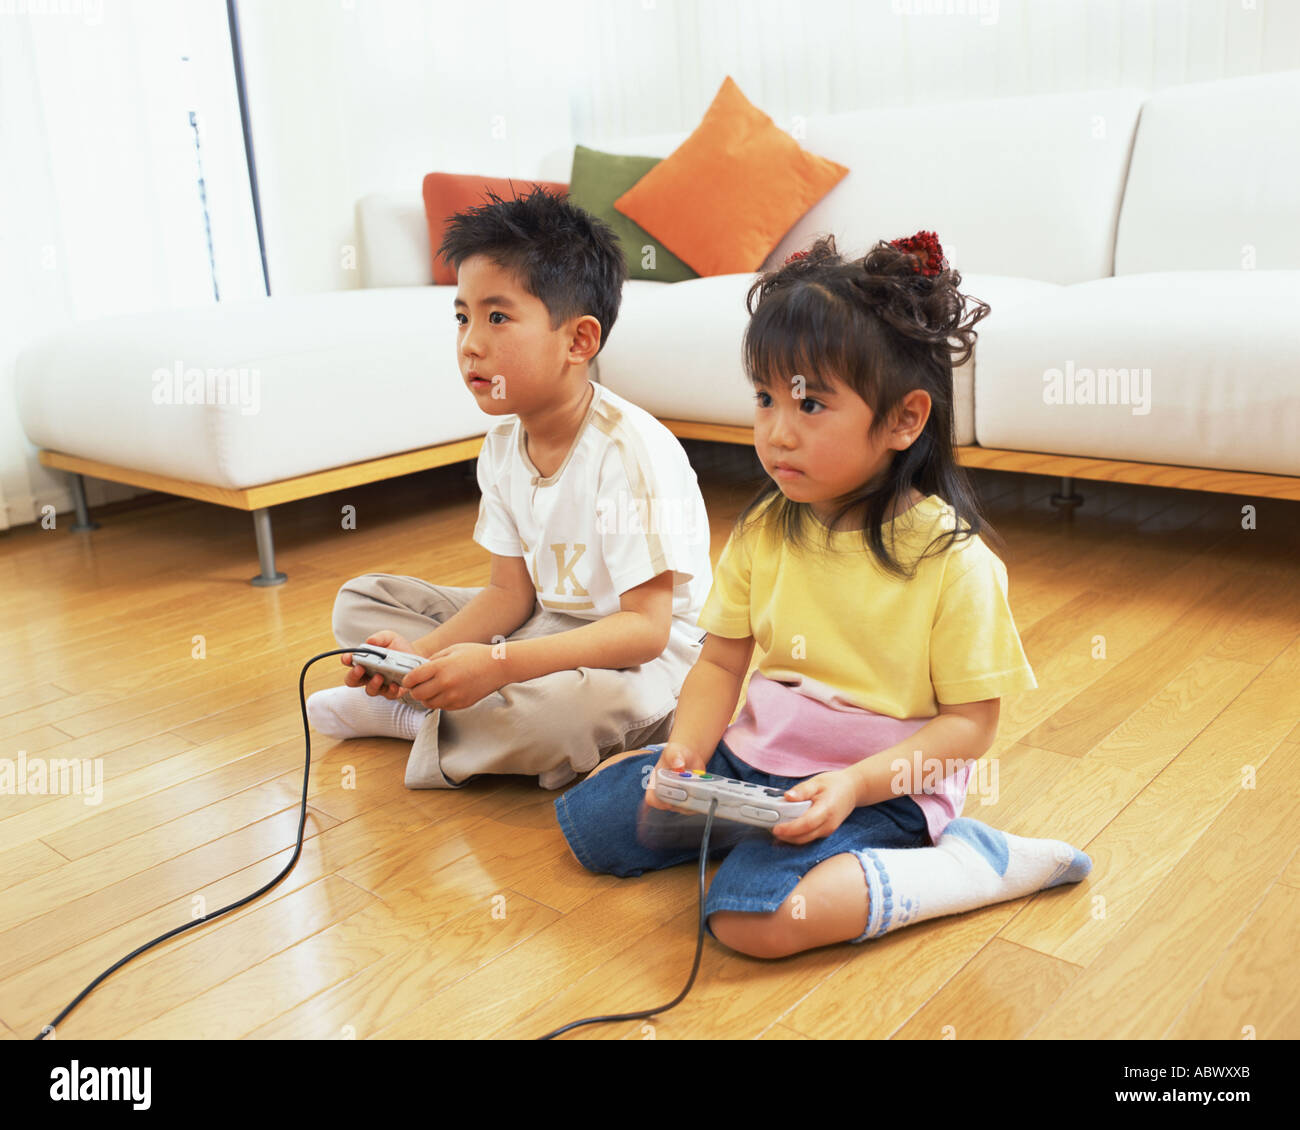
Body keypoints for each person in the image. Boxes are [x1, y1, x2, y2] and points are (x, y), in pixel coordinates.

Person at [554, 231, 1092, 958]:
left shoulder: (955, 563)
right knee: (595, 827)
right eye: (766, 399)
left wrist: (853, 787)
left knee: (754, 924)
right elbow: (718, 665)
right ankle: (745, 829)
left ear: (904, 419)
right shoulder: (765, 529)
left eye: (811, 407)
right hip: (756, 766)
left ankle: (969, 864)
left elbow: (969, 728)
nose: (776, 432)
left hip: (881, 789)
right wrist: (686, 753)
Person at [306, 186, 713, 790]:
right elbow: (509, 596)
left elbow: (646, 631)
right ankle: (440, 694)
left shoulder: (628, 453)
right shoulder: (500, 447)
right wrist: (424, 654)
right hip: (547, 625)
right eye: (463, 317)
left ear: (578, 341)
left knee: (562, 716)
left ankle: (417, 716)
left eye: (497, 317)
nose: (471, 342)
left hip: (644, 660)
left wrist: (497, 664)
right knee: (360, 601)